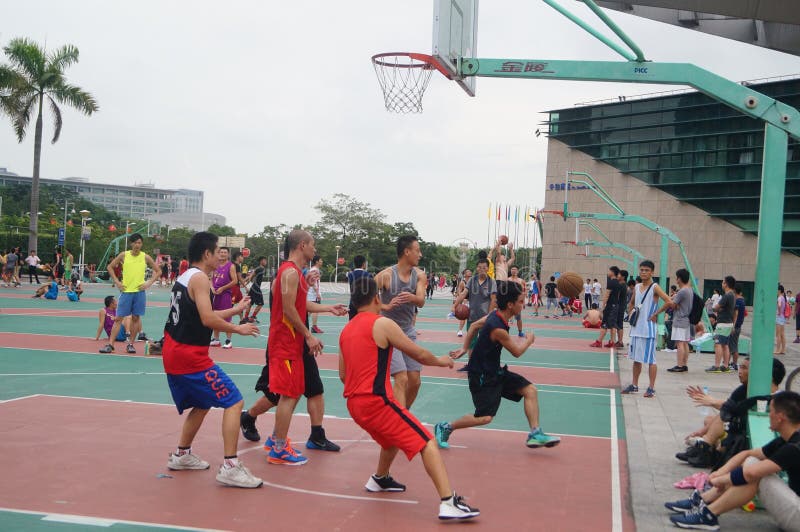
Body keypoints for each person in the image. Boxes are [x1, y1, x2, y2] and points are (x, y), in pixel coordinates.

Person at [339, 277, 479, 520]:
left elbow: (343, 375)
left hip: (354, 404)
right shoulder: (382, 324)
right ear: (376, 298)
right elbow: (419, 354)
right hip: (375, 402)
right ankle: (449, 502)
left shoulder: (346, 330)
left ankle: (379, 479)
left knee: (391, 438)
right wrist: (441, 360)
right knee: (427, 441)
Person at [161, 231, 262, 488]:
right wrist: (238, 328)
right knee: (234, 400)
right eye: (217, 250)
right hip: (189, 355)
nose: (220, 255)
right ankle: (229, 466)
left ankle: (182, 455)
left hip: (174, 351)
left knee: (202, 403)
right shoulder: (200, 279)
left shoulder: (186, 277)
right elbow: (208, 319)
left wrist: (235, 310)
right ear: (206, 253)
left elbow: (205, 312)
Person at [436, 280, 561, 450]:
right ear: (510, 305)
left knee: (530, 390)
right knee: (485, 417)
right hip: (481, 376)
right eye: (520, 302)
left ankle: (535, 433)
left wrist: (464, 348)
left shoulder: (495, 315)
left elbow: (473, 326)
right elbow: (516, 352)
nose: (523, 306)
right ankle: (446, 427)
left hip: (494, 371)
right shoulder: (498, 328)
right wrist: (529, 340)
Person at [260, 229, 348, 466]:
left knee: (294, 392)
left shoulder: (295, 273)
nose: (315, 249)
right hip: (285, 343)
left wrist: (327, 308)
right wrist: (309, 335)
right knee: (288, 395)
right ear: (301, 246)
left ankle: (275, 439)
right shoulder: (289, 272)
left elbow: (300, 305)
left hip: (290, 343)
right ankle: (278, 448)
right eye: (313, 245)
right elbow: (289, 309)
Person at [666, 391, 800, 531]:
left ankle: (708, 513)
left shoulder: (794, 447)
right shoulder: (788, 438)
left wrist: (721, 480)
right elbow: (747, 453)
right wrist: (719, 473)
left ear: (780, 417)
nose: (768, 415)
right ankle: (705, 500)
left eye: (770, 411)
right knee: (752, 462)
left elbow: (750, 473)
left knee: (756, 473)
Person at [678, 358, 785, 469]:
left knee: (720, 420)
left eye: (744, 368)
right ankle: (706, 446)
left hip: (749, 434)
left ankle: (706, 446)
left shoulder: (777, 399)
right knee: (709, 420)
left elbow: (733, 409)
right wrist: (700, 432)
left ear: (767, 375)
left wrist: (713, 402)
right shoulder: (744, 389)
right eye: (740, 367)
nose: (739, 371)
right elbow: (729, 408)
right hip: (736, 427)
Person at [375, 235, 428, 408]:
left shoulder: (420, 275)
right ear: (407, 252)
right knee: (401, 377)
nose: (420, 255)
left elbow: (420, 300)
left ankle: (401, 415)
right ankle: (399, 424)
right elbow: (364, 302)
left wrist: (412, 297)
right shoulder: (385, 276)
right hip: (388, 333)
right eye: (417, 250)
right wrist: (386, 306)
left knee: (415, 381)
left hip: (407, 331)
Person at [621, 260, 672, 398]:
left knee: (651, 360)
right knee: (636, 359)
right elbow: (631, 303)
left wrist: (656, 313)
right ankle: (634, 385)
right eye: (642, 270)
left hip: (648, 330)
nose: (643, 272)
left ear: (652, 272)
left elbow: (669, 301)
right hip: (637, 328)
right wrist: (631, 313)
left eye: (646, 270)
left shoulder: (655, 287)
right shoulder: (637, 287)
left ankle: (651, 388)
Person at [101, 233, 158, 354]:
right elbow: (110, 267)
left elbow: (158, 271)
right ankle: (110, 345)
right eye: (135, 242)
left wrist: (149, 283)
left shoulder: (145, 257)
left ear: (141, 244)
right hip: (126, 292)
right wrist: (117, 282)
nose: (137, 245)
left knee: (136, 318)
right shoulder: (124, 255)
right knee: (118, 319)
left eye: (139, 243)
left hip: (139, 292)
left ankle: (131, 344)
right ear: (131, 243)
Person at [452, 258, 497, 370]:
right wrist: (455, 305)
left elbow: (493, 300)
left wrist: (490, 315)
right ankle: (471, 365)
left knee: (484, 342)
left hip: (485, 318)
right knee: (471, 343)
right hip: (472, 317)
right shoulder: (472, 280)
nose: (482, 269)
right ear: (477, 268)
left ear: (488, 268)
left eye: (484, 267)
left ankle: (483, 365)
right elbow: (463, 294)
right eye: (479, 267)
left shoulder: (492, 282)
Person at [706, 276, 737, 372]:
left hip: (722, 323)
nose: (722, 284)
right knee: (725, 345)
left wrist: (716, 308)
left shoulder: (727, 296)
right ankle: (725, 365)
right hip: (729, 323)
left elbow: (715, 307)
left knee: (718, 344)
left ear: (726, 284)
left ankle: (716, 366)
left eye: (723, 282)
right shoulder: (733, 295)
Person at [210, 247, 237, 349]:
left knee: (226, 317)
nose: (222, 254)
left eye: (225, 252)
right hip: (215, 294)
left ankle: (228, 340)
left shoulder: (231, 266)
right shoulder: (215, 265)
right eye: (221, 252)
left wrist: (223, 288)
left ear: (228, 254)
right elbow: (210, 278)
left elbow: (234, 281)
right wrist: (212, 287)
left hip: (225, 294)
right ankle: (216, 339)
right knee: (215, 316)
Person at [667, 269, 693, 373]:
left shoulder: (682, 291)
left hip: (679, 319)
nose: (676, 279)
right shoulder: (689, 289)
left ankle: (679, 365)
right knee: (685, 343)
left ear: (680, 278)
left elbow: (673, 305)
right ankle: (684, 364)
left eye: (677, 277)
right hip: (686, 319)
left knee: (679, 343)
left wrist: (671, 300)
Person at [590, 266, 623, 348]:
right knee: (612, 325)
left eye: (609, 271)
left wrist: (602, 307)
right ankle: (612, 342)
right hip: (615, 306)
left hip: (610, 306)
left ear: (612, 272)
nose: (608, 272)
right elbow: (618, 296)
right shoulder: (618, 283)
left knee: (604, 324)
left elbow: (607, 295)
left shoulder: (611, 282)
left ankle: (599, 342)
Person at [241, 256, 267, 324]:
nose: (265, 262)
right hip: (256, 288)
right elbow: (251, 276)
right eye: (264, 260)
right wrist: (244, 282)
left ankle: (246, 318)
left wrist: (245, 283)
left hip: (253, 288)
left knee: (250, 303)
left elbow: (251, 277)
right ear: (261, 261)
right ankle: (252, 317)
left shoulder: (261, 268)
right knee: (261, 304)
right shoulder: (260, 268)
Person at [346, 254, 372, 320]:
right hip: (364, 304)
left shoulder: (350, 274)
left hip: (352, 303)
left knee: (352, 324)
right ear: (363, 264)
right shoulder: (368, 275)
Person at [729, 284, 746, 370]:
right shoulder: (742, 301)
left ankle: (734, 364)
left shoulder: (738, 301)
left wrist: (733, 326)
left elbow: (736, 314)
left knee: (733, 347)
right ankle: (732, 363)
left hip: (735, 327)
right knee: (733, 345)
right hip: (738, 326)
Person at [307, 255, 324, 333]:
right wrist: (317, 293)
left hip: (312, 293)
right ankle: (314, 327)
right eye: (321, 260)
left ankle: (303, 323)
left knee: (309, 311)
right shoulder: (314, 270)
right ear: (317, 261)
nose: (322, 261)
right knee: (315, 309)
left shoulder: (315, 269)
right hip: (313, 294)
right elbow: (313, 281)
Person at [508, 265, 527, 337]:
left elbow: (524, 292)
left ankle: (520, 332)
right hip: (508, 302)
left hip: (517, 302)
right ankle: (505, 331)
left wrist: (523, 302)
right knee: (505, 318)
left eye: (515, 269)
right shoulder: (507, 280)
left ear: (517, 271)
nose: (513, 270)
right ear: (510, 271)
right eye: (512, 269)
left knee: (518, 318)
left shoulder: (521, 281)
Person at [453, 268, 472, 336]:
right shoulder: (462, 282)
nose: (470, 272)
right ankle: (460, 330)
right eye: (468, 272)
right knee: (463, 315)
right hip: (465, 302)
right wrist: (463, 299)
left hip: (473, 302)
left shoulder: (473, 281)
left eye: (470, 271)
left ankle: (471, 332)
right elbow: (459, 292)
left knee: (472, 318)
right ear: (465, 274)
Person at [776, 284, 789, 356]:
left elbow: (779, 305)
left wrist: (779, 312)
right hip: (783, 317)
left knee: (778, 334)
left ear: (779, 290)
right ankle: (783, 349)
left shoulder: (779, 298)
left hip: (779, 317)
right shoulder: (783, 298)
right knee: (782, 334)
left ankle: (778, 349)